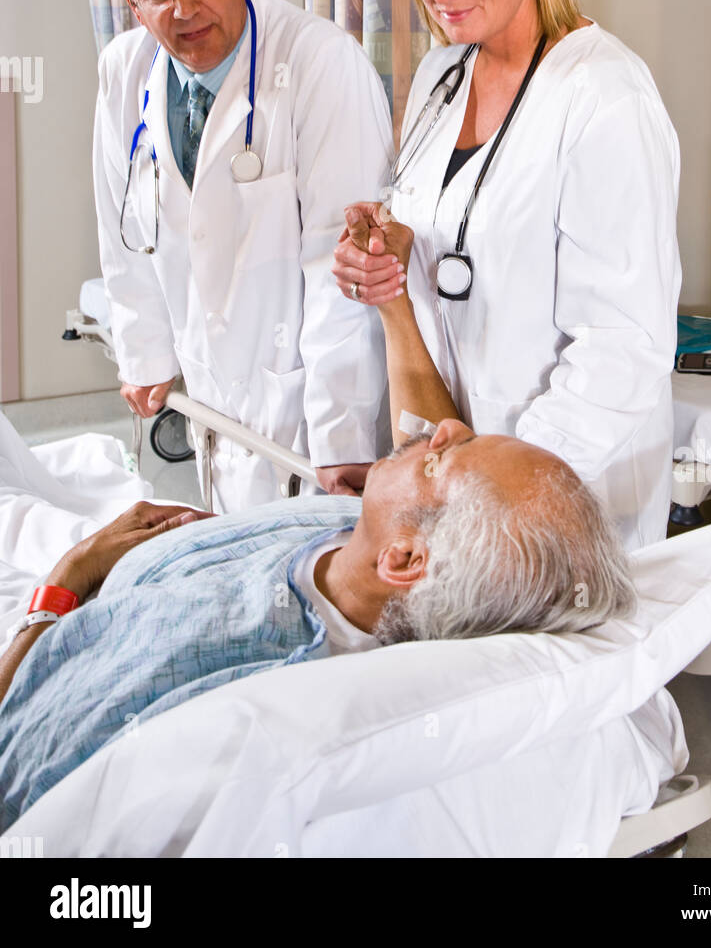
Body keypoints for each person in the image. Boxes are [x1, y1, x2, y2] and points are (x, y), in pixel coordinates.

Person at [0, 230, 633, 831]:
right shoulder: (354, 530)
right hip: (127, 555)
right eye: (467, 433)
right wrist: (391, 301)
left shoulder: (240, 676)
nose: (443, 426)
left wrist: (60, 585)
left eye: (443, 456)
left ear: (407, 561)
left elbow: (22, 747)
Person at [332, 0, 681, 551]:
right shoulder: (441, 79)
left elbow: (623, 343)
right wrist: (384, 256)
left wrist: (505, 489)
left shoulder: (602, 95)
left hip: (558, 488)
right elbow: (449, 253)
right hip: (453, 468)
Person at [94, 0, 394, 511]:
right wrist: (144, 350)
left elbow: (340, 265)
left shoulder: (320, 64)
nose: (183, 9)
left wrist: (344, 433)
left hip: (304, 413)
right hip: (212, 405)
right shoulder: (126, 70)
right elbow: (120, 223)